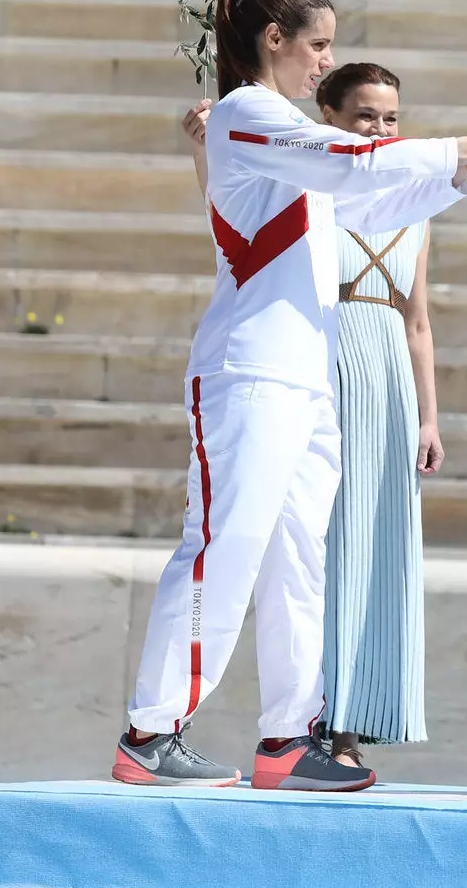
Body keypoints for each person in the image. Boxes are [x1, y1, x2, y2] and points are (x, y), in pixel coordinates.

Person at [113, 0, 467, 793]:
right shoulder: (245, 115)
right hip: (248, 371)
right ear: (276, 40)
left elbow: (365, 206)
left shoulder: (288, 140)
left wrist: (457, 178)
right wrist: (452, 149)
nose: (326, 61)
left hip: (306, 379)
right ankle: (151, 732)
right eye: (319, 45)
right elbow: (349, 159)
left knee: (299, 556)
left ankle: (288, 739)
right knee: (225, 546)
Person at [181, 62, 441, 769]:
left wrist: (428, 415)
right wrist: (209, 151)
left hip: (382, 373)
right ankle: (310, 721)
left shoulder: (404, 202)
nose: (382, 129)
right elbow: (237, 221)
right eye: (365, 116)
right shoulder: (314, 179)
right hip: (319, 360)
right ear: (326, 115)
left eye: (391, 118)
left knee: (363, 547)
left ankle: (349, 718)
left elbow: (418, 320)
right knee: (312, 547)